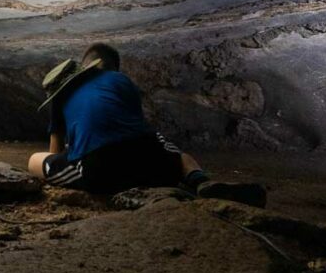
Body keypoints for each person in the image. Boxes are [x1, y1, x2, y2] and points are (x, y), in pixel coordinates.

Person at [27, 43, 267, 207]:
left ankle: (113, 181)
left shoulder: (62, 95)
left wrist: (67, 155)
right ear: (112, 67)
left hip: (99, 171)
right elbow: (132, 128)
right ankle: (201, 182)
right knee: (171, 149)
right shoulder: (122, 81)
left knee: (35, 161)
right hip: (152, 162)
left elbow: (55, 151)